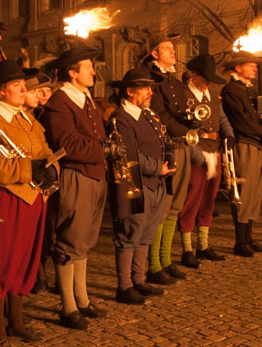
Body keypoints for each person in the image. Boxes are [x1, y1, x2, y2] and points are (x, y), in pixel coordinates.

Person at [0, 59, 62, 347]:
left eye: (24, 85)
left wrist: (51, 171)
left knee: (26, 259)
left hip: (33, 196)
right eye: (17, 86)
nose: (24, 90)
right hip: (4, 197)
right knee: (1, 260)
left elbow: (45, 152)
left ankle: (17, 322)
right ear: (1, 91)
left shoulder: (29, 120)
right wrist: (29, 170)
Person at [37, 40, 109, 324]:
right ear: (72, 73)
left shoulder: (85, 98)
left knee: (85, 241)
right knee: (69, 241)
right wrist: (103, 150)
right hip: (75, 175)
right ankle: (68, 307)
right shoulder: (59, 103)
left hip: (94, 173)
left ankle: (83, 299)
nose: (94, 73)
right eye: (90, 68)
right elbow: (67, 144)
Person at [107, 69, 171, 304]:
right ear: (129, 91)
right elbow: (128, 154)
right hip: (134, 185)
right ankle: (124, 286)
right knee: (129, 235)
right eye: (144, 88)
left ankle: (139, 279)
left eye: (150, 88)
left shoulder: (148, 115)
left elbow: (164, 140)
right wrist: (158, 168)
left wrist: (169, 159)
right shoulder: (120, 118)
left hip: (155, 185)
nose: (150, 92)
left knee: (145, 235)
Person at [143, 37, 195, 286]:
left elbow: (182, 110)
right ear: (154, 53)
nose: (173, 51)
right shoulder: (150, 79)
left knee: (176, 204)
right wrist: (184, 129)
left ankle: (166, 258)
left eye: (173, 48)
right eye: (166, 48)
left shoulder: (174, 81)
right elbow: (160, 114)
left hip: (182, 143)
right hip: (165, 145)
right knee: (163, 207)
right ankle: (154, 264)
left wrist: (193, 123)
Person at [220, 47, 262, 258]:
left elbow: (258, 115)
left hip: (256, 142)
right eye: (251, 66)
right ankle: (240, 241)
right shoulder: (232, 90)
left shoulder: (247, 90)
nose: (255, 69)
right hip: (244, 143)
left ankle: (248, 237)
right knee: (243, 192)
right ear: (238, 68)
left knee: (254, 192)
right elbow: (242, 120)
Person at [177, 54, 228, 264]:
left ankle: (203, 245)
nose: (207, 83)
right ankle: (187, 248)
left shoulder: (212, 92)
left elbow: (221, 117)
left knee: (209, 197)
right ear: (194, 75)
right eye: (205, 78)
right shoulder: (183, 94)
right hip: (195, 148)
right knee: (192, 196)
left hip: (213, 147)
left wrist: (229, 134)